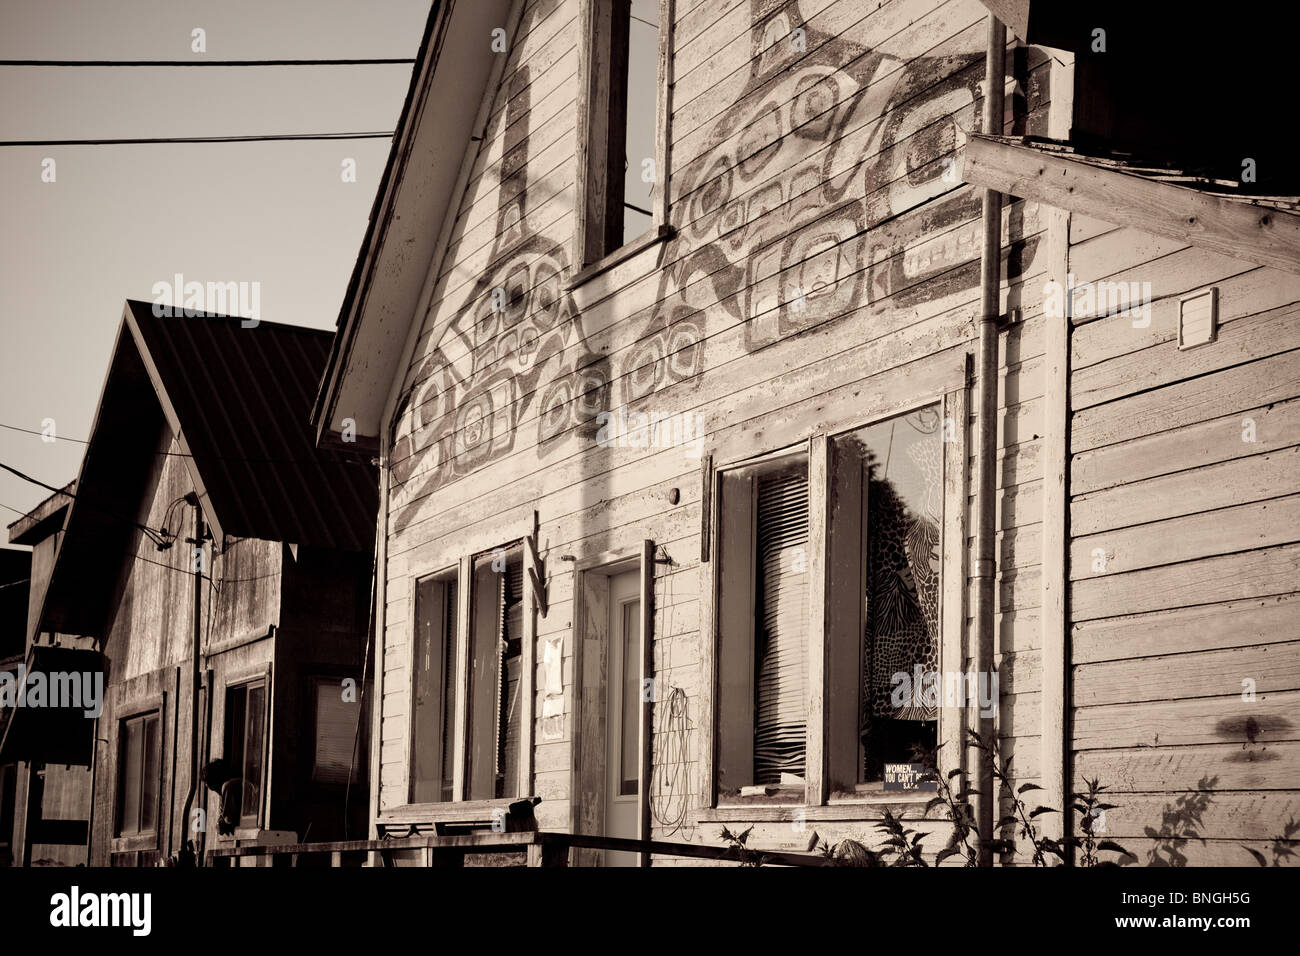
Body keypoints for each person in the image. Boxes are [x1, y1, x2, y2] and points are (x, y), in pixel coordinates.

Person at [201, 758, 242, 836]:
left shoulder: (229, 786)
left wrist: (222, 821)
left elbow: (228, 820)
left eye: (213, 787)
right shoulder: (229, 787)